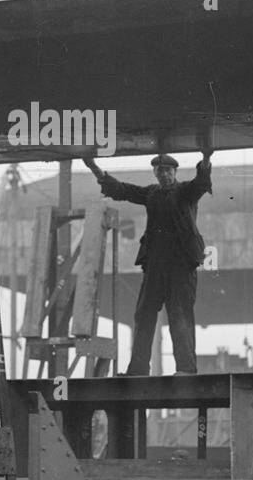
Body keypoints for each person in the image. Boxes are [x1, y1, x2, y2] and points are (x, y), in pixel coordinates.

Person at [85, 151, 212, 375]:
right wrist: (93, 167)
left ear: (175, 173)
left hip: (181, 268)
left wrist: (206, 159)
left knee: (179, 315)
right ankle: (138, 369)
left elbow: (200, 183)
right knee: (143, 315)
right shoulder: (151, 194)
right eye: (160, 171)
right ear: (155, 173)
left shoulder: (185, 192)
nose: (164, 175)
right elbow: (121, 190)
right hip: (155, 267)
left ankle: (186, 370)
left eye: (168, 171)